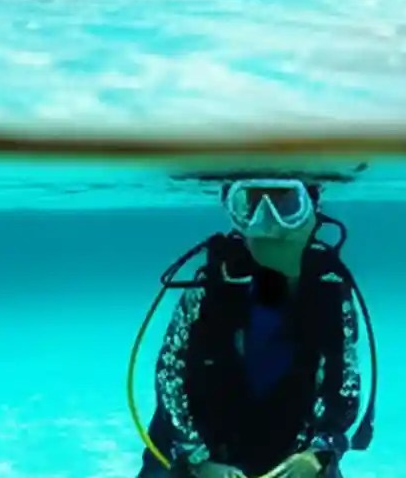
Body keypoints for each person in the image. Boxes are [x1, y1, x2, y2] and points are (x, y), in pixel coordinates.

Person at [135, 178, 371, 478]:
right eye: (251, 207)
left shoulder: (330, 292)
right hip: (200, 444)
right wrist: (197, 457)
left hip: (292, 449)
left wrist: (317, 453)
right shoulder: (210, 287)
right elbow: (171, 374)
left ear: (314, 211)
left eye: (287, 206)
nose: (269, 225)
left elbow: (344, 381)